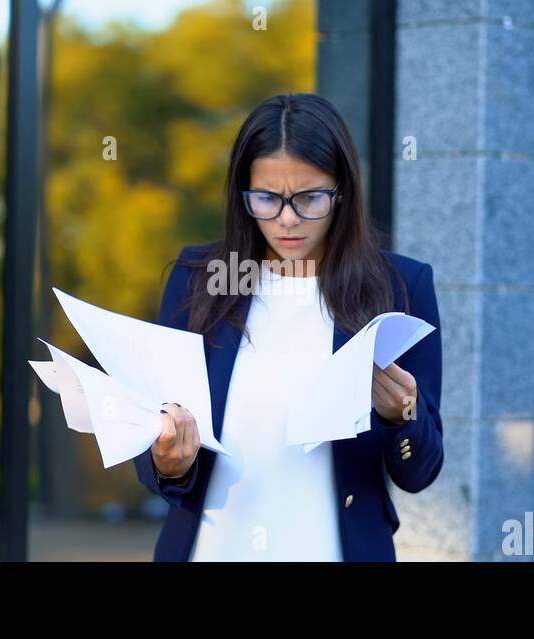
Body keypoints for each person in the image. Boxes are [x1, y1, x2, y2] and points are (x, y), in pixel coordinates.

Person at [133, 92, 443, 561]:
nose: (288, 219)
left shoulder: (401, 286)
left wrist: (402, 414)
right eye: (267, 198)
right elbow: (155, 446)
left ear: (342, 192)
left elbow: (420, 472)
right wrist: (167, 461)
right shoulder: (198, 278)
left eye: (310, 198)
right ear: (243, 193)